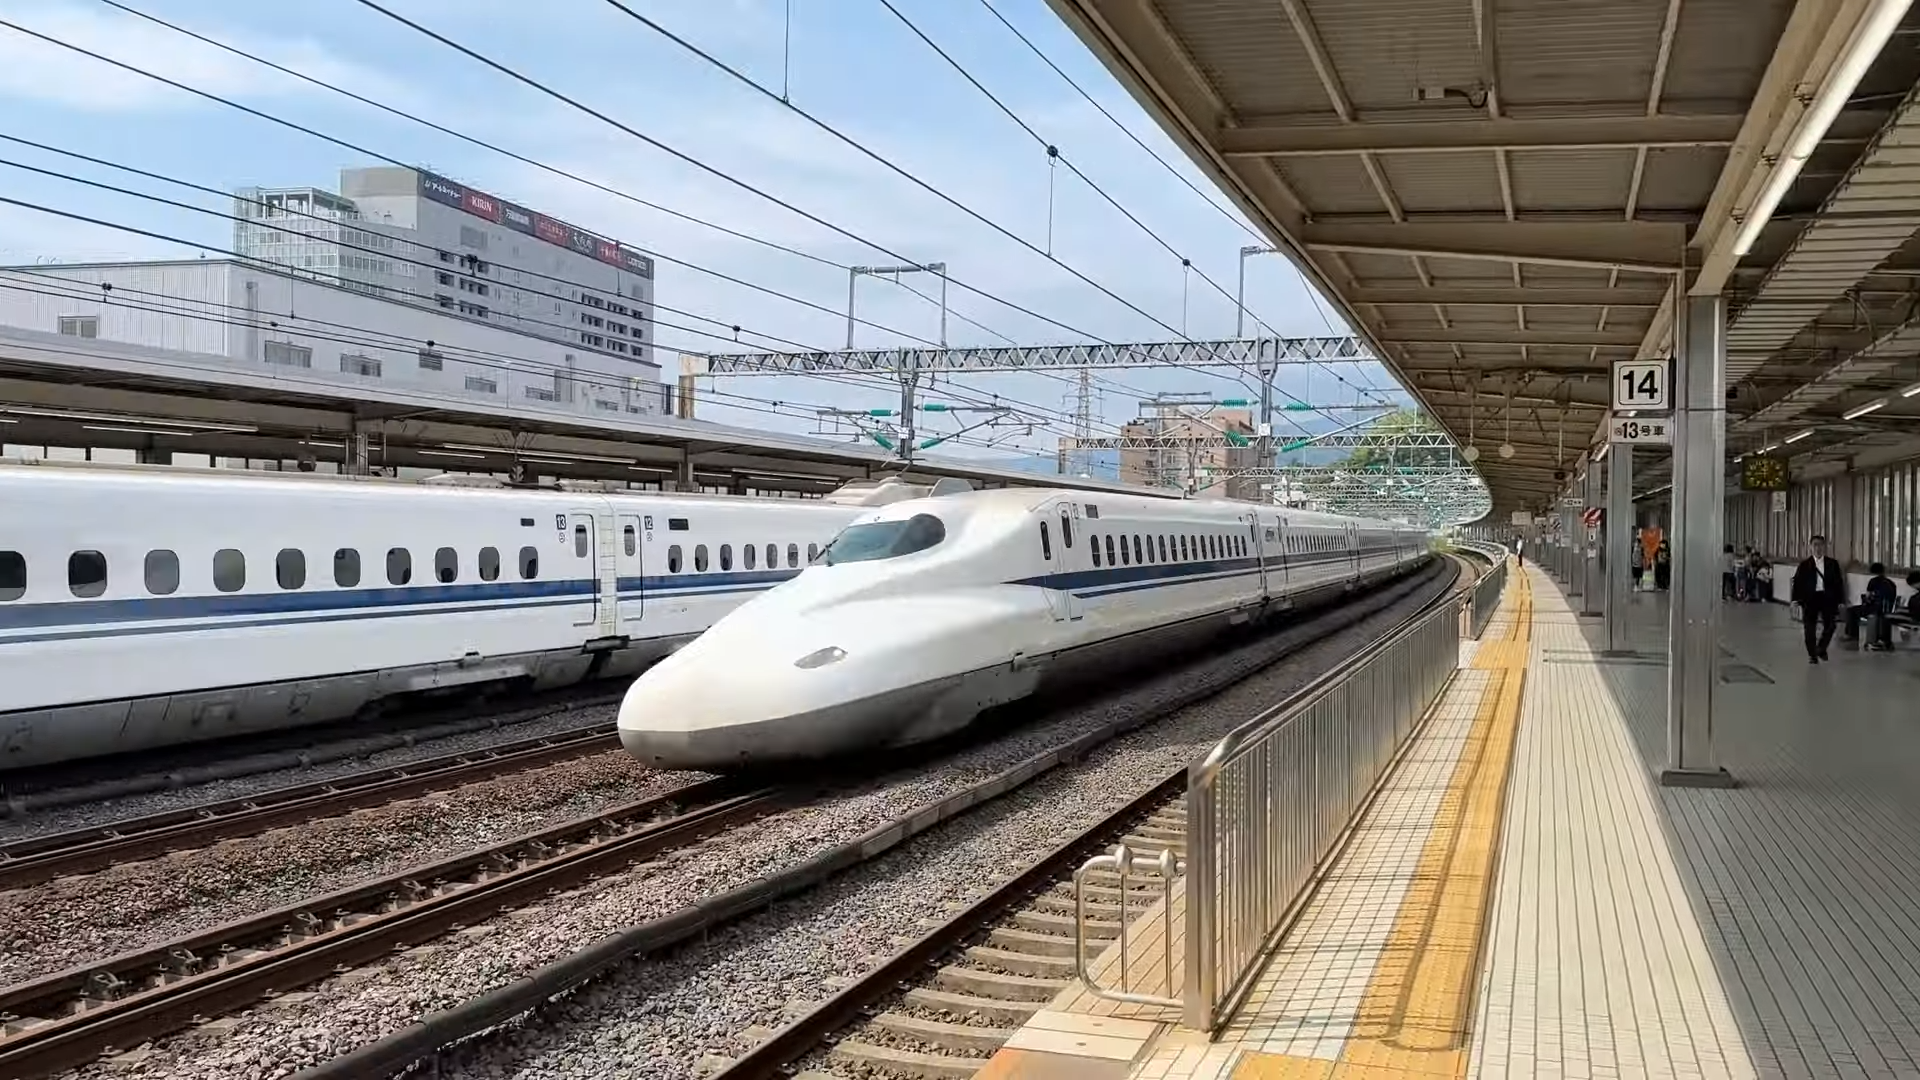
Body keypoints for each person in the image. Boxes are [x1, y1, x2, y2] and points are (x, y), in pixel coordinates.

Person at [1790, 534, 1844, 663]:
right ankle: (1812, 655)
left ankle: (1821, 648)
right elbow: (1797, 583)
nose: (1818, 548)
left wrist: (1841, 600)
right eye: (1815, 545)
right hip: (1810, 598)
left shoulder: (1832, 564)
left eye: (1820, 545)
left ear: (1824, 547)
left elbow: (1839, 583)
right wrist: (1795, 600)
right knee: (1809, 628)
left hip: (1827, 598)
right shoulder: (1804, 565)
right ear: (1810, 547)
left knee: (1831, 626)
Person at [1847, 562, 1898, 650]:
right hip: (1886, 610)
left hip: (1874, 608)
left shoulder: (1873, 581)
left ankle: (1853, 635)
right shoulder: (1891, 583)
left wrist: (1866, 601)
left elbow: (1868, 597)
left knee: (1852, 611)